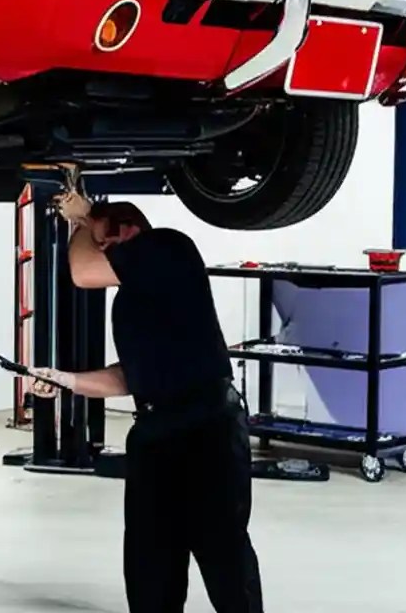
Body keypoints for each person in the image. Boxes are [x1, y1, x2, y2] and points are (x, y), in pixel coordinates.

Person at [25, 192, 264, 613]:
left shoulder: (169, 247)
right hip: (155, 433)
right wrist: (65, 381)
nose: (101, 252)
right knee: (149, 561)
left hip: (207, 426)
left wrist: (81, 221)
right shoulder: (133, 300)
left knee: (222, 552)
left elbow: (80, 272)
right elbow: (131, 376)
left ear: (128, 230)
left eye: (103, 242)